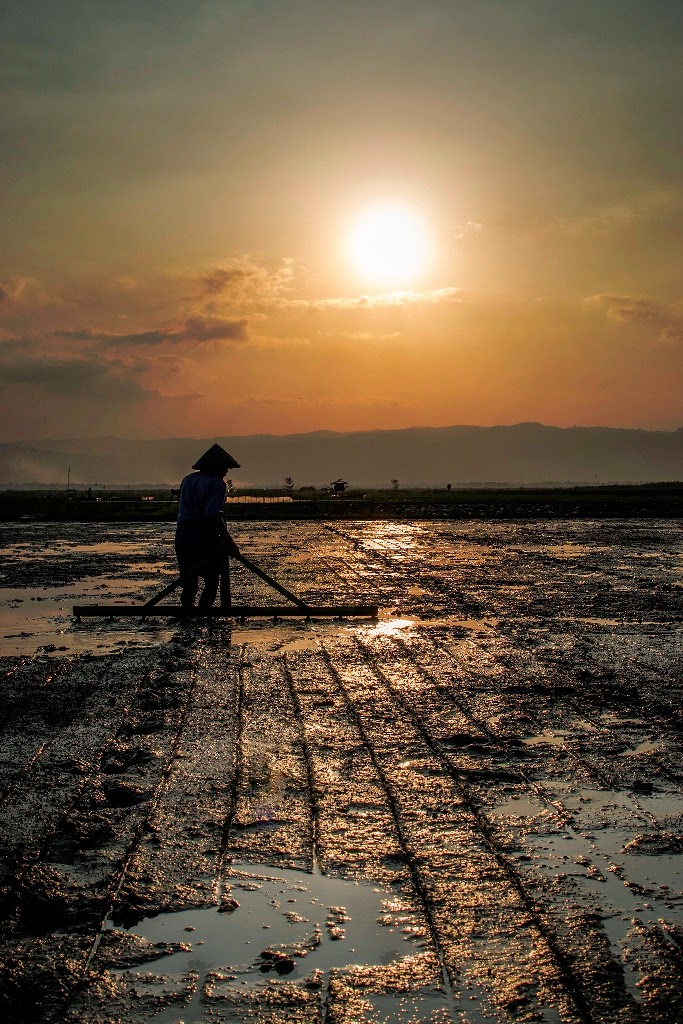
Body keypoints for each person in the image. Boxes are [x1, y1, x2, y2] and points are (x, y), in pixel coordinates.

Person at [174, 444, 241, 610]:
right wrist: (229, 542)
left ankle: (188, 616)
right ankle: (203, 615)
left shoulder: (188, 480)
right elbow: (213, 515)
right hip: (203, 535)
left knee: (189, 582)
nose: (226, 471)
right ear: (215, 467)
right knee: (211, 581)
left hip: (183, 535)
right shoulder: (217, 484)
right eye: (224, 468)